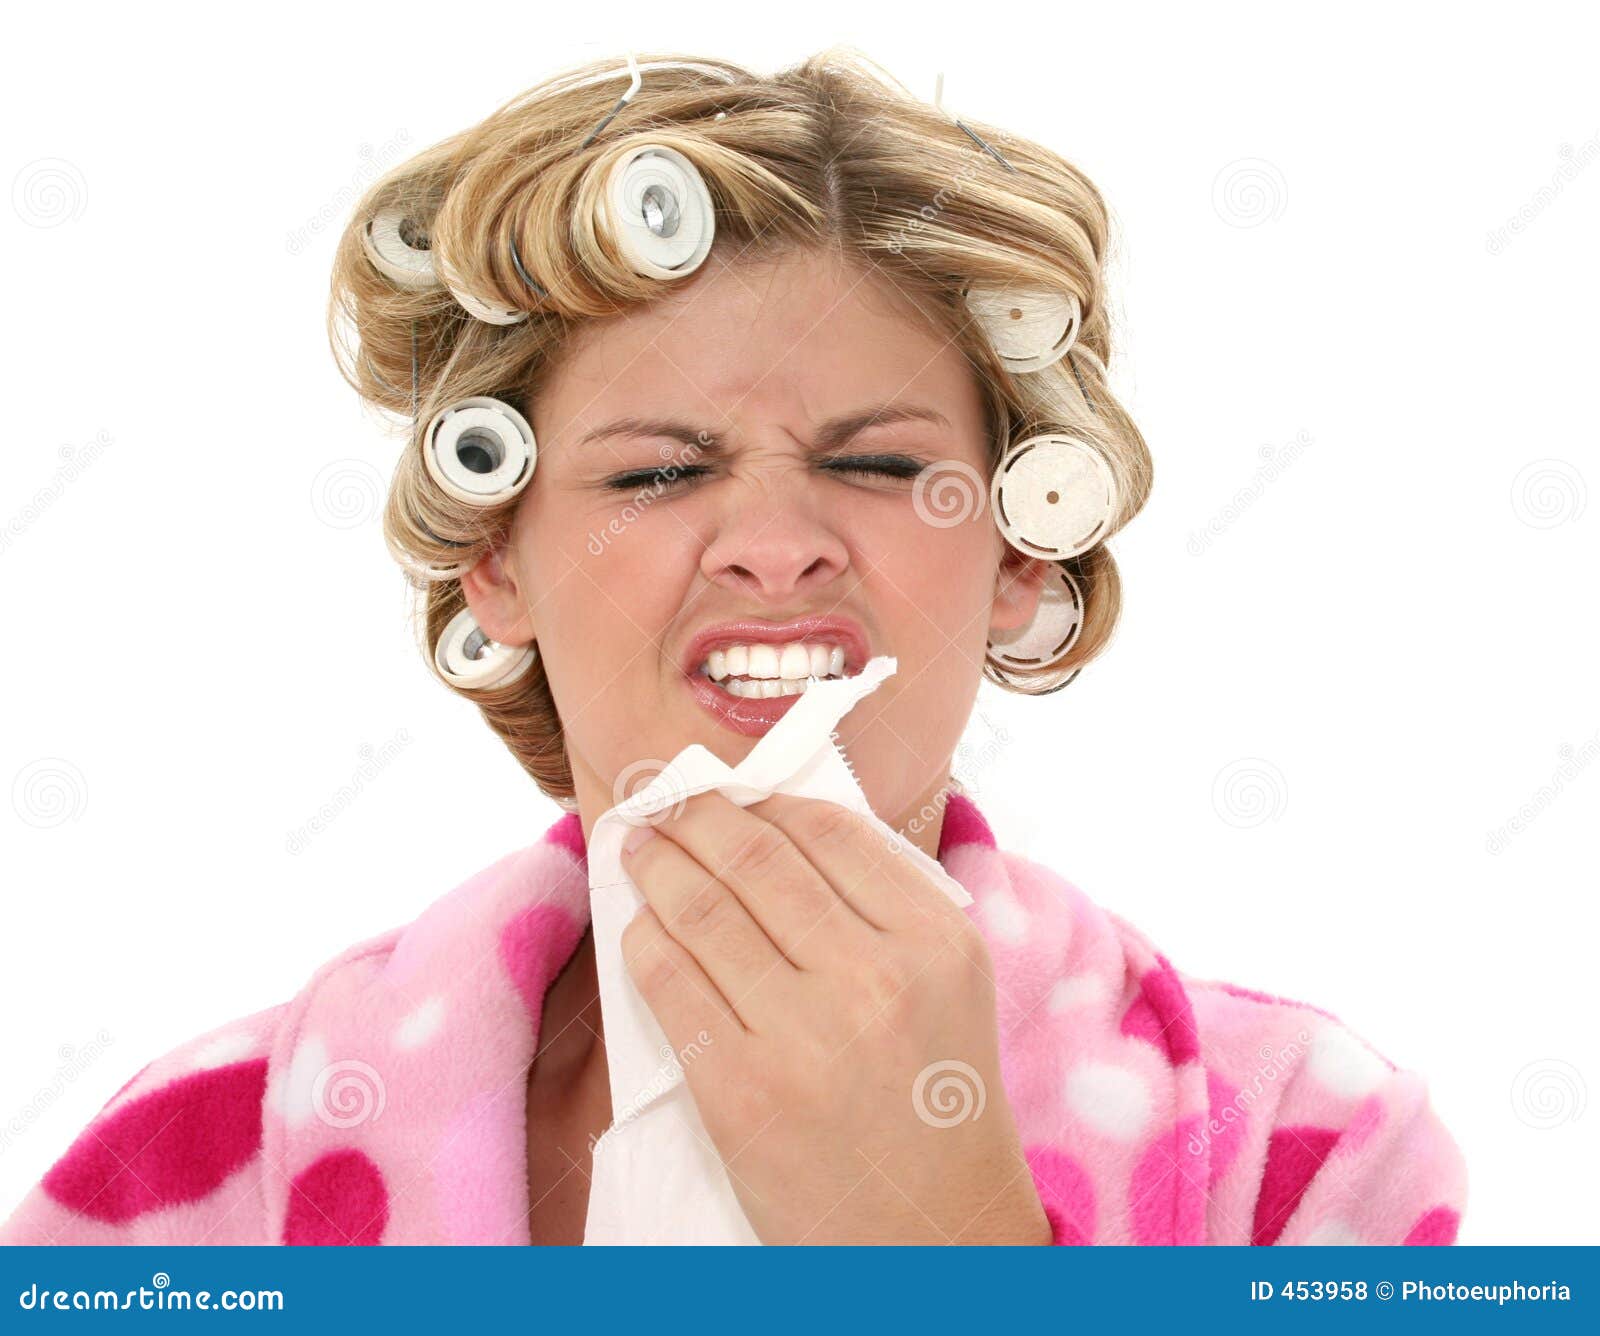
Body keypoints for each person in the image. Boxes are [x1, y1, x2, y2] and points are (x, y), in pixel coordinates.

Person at [0, 47, 1466, 1247]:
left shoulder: (1301, 1164)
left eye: (884, 468)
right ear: (496, 562)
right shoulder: (179, 1197)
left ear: (1020, 551)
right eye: (655, 473)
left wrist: (942, 1246)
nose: (776, 542)